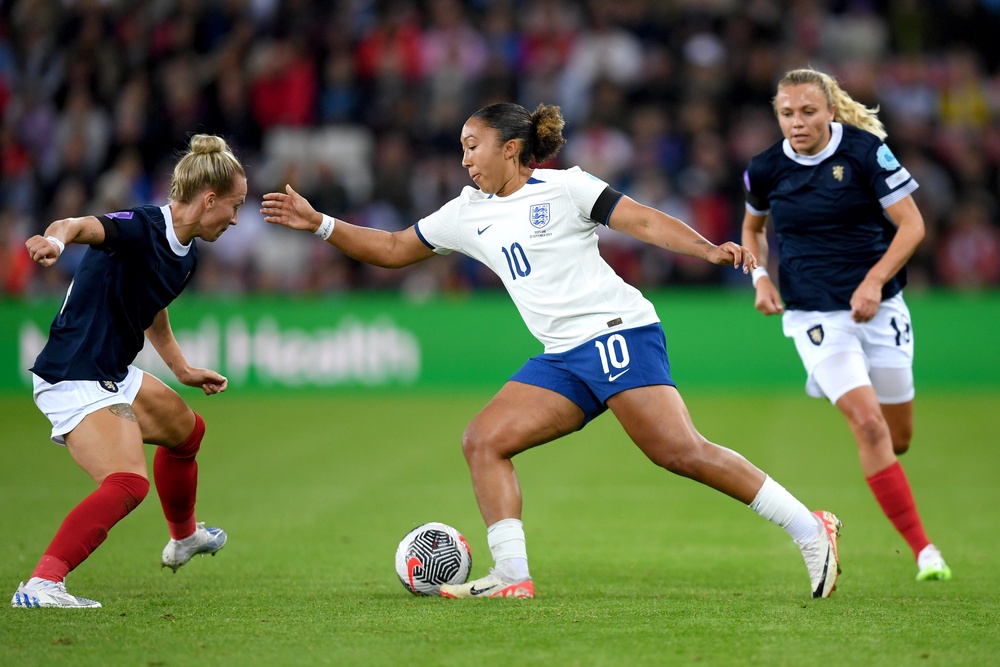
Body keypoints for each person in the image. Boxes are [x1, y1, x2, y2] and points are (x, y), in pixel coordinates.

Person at [262, 102, 842, 599]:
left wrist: (706, 249)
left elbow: (640, 220)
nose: (464, 160)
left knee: (678, 451)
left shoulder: (566, 187)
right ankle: (512, 575)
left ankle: (810, 528)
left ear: (510, 148)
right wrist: (321, 225)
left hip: (616, 332)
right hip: (563, 354)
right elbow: (392, 248)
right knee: (484, 440)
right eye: (461, 149)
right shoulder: (467, 212)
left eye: (472, 146)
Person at [12, 134, 247, 609]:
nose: (236, 218)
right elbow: (78, 224)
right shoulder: (141, 226)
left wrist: (181, 368)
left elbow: (151, 307)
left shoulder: (187, 255)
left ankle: (184, 538)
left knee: (187, 431)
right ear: (209, 200)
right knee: (128, 482)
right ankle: (42, 584)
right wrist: (55, 241)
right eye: (235, 205)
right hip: (74, 372)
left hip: (111, 370)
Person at [740, 68, 951, 582]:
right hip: (814, 316)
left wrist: (874, 282)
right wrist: (761, 278)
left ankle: (877, 448)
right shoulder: (765, 168)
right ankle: (924, 550)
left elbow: (912, 225)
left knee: (898, 438)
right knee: (869, 424)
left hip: (881, 308)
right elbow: (752, 228)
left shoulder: (864, 153)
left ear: (831, 111)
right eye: (787, 113)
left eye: (808, 112)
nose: (797, 122)